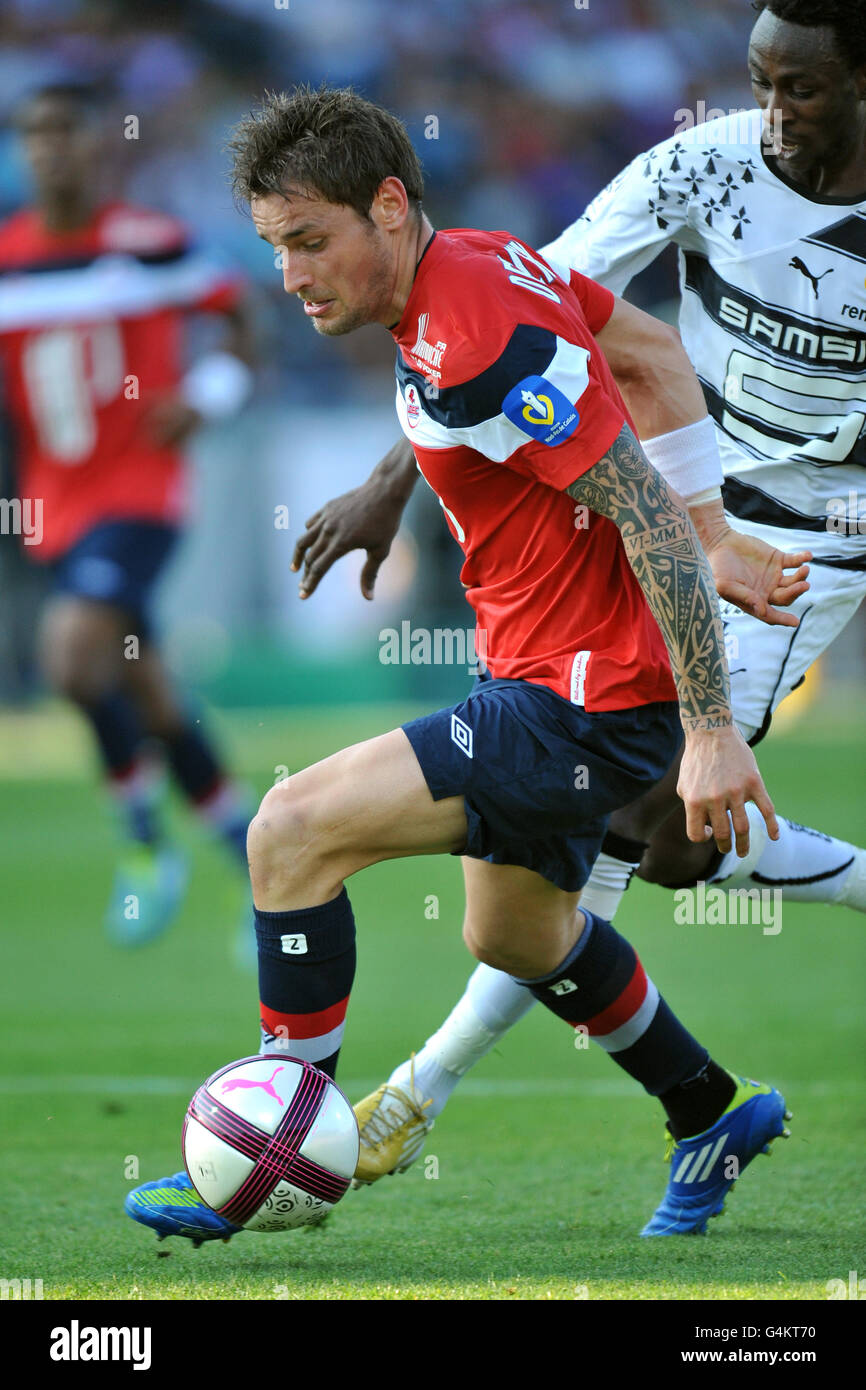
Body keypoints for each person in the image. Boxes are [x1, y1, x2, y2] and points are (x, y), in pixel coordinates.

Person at [126, 85, 802, 1247]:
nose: (290, 276)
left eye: (308, 241)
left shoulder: (473, 332)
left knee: (288, 829)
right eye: (275, 248)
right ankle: (711, 1108)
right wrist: (717, 526)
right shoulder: (485, 262)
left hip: (579, 700)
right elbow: (641, 348)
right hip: (554, 683)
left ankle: (275, 1148)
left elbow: (633, 511)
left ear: (388, 207)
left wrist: (708, 722)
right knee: (516, 938)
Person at [288, 0, 866, 1184]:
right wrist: (391, 480)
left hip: (821, 536)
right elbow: (541, 311)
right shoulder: (705, 167)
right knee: (660, 844)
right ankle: (674, 1107)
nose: (768, 113)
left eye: (798, 91)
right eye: (757, 83)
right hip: (693, 509)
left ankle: (410, 1094)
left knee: (632, 821)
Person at [0, 83, 256, 946]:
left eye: (65, 132)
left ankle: (146, 845)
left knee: (72, 660)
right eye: (34, 135)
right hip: (53, 506)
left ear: (99, 144)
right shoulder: (9, 256)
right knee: (149, 693)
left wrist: (208, 396)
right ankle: (255, 863)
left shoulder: (151, 244)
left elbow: (238, 319)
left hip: (140, 492)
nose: (49, 151)